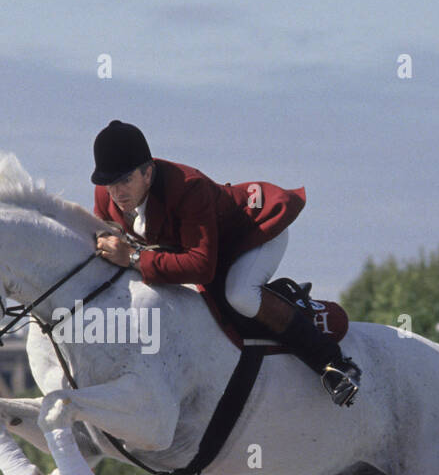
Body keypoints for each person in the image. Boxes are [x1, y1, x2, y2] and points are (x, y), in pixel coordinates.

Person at [89, 120, 360, 405]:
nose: (117, 193)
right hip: (210, 250)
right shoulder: (106, 197)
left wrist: (133, 258)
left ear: (148, 172)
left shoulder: (187, 188)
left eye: (125, 181)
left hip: (254, 233)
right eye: (110, 183)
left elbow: (201, 267)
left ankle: (334, 365)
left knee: (239, 295)